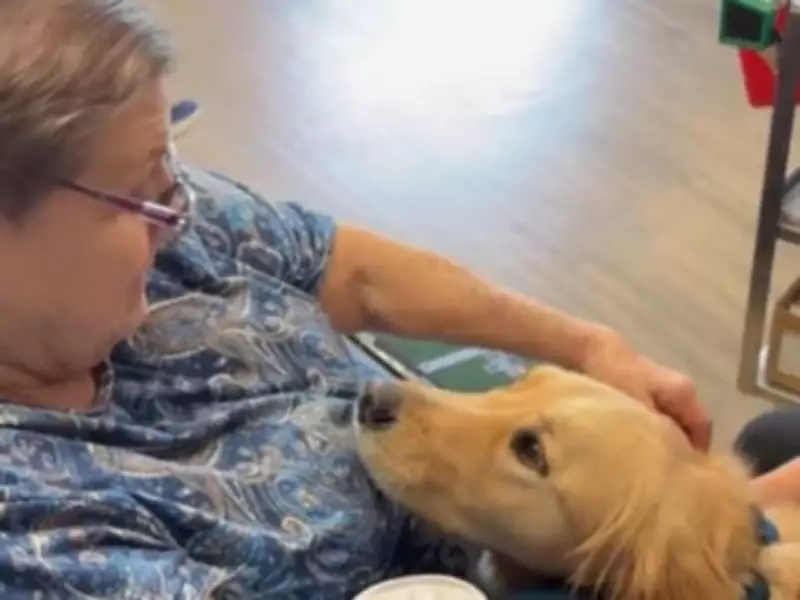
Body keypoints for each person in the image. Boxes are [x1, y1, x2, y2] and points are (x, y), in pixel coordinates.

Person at [0, 0, 775, 597]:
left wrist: (590, 347)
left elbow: (354, 271)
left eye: (170, 160)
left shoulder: (165, 219)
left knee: (774, 439)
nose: (181, 208)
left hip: (493, 534)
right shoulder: (41, 539)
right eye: (142, 193)